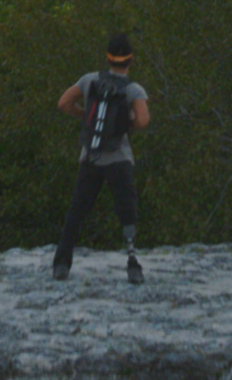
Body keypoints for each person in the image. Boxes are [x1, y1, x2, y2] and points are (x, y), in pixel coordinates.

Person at [52, 33, 151, 283]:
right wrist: (125, 125)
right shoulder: (133, 89)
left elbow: (63, 103)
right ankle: (132, 263)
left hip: (90, 156)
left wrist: (85, 116)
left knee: (77, 210)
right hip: (119, 158)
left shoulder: (89, 81)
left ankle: (62, 263)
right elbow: (143, 120)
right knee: (126, 211)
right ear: (131, 60)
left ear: (108, 58)